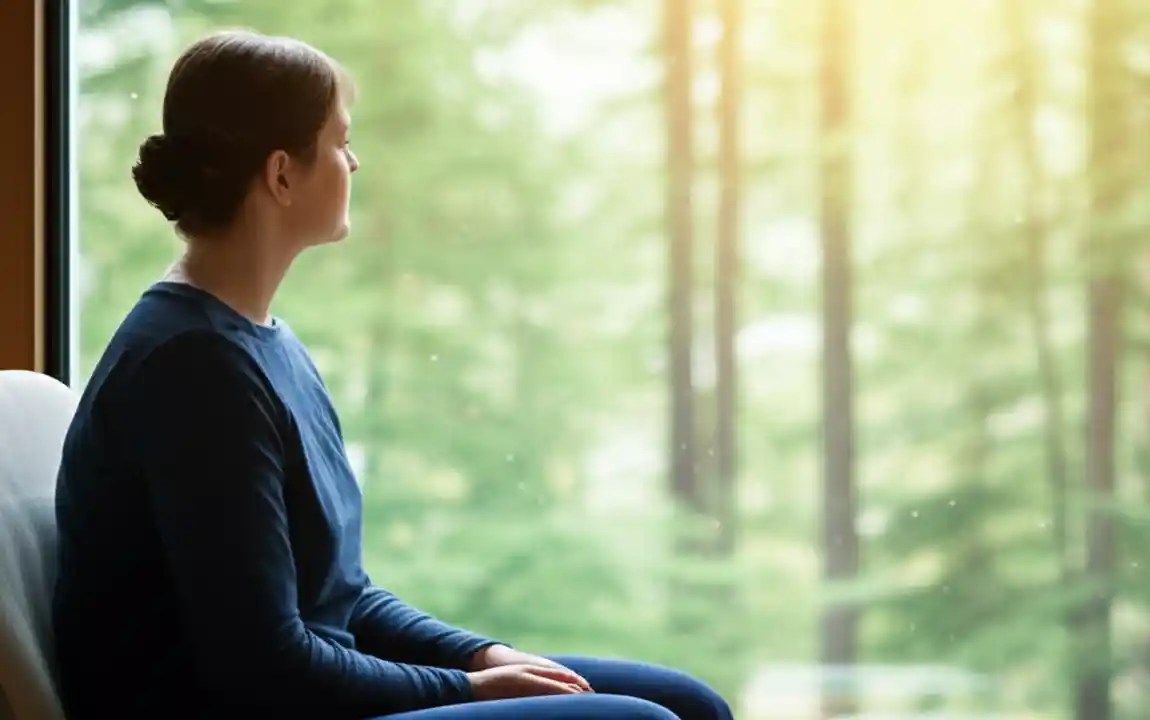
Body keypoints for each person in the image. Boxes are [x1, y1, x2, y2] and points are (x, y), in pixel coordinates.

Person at [52, 30, 733, 720]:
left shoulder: (260, 341)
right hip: (254, 709)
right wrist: (466, 691)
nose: (355, 160)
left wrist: (479, 655)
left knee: (689, 704)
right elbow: (262, 668)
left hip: (306, 685)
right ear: (282, 174)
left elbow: (338, 595)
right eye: (341, 141)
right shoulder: (195, 371)